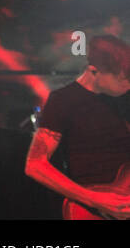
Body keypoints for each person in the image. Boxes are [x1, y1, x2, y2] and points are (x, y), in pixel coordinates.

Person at [25, 34, 130, 218]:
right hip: (94, 203)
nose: (127, 85)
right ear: (94, 71)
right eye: (121, 80)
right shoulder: (63, 100)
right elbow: (35, 165)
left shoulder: (124, 99)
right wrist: (95, 200)